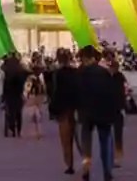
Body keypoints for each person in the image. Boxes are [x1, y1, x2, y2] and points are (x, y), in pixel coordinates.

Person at [76, 45, 122, 181]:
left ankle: (86, 168)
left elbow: (76, 94)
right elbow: (112, 94)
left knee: (86, 143)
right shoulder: (105, 73)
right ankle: (107, 170)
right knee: (105, 142)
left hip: (86, 113)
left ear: (85, 58)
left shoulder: (80, 73)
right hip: (103, 113)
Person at [48, 48, 81, 174]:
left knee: (66, 140)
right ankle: (85, 162)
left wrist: (53, 109)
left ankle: (70, 164)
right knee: (80, 139)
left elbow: (55, 93)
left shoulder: (57, 74)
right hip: (76, 109)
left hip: (63, 110)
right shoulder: (76, 72)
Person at [2, 54, 27, 138]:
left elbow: (5, 85)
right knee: (18, 111)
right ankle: (18, 129)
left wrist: (3, 96)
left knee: (10, 110)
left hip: (9, 93)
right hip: (18, 93)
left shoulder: (8, 71)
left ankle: (11, 127)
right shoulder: (20, 70)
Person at [24, 67, 48, 139]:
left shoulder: (40, 78)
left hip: (39, 96)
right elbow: (28, 87)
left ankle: (37, 130)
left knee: (38, 113)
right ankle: (35, 131)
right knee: (35, 114)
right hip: (33, 96)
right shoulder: (31, 78)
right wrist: (27, 94)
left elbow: (43, 87)